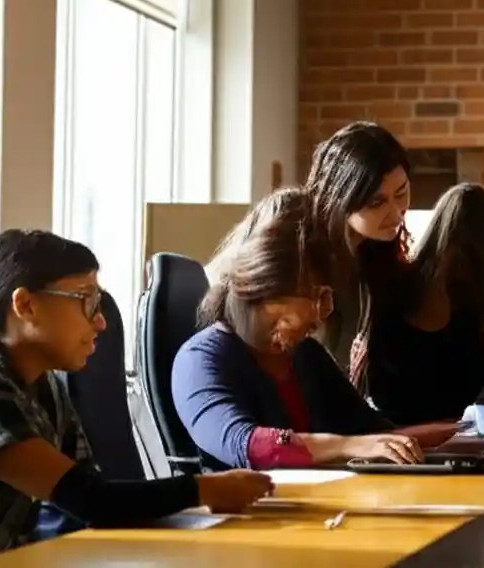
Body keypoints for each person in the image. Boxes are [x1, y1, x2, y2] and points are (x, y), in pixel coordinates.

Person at [0, 230, 273, 565]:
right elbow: (89, 499)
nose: (100, 322)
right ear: (25, 305)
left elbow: (90, 496)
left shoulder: (45, 386)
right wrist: (205, 488)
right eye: (86, 300)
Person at [173, 188, 436, 471]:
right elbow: (246, 445)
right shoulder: (199, 359)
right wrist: (350, 446)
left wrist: (462, 433)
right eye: (318, 294)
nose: (326, 310)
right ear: (269, 286)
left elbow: (377, 434)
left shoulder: (306, 355)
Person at [363, 183, 484, 426]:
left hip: (437, 428)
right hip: (406, 430)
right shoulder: (396, 292)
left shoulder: (465, 300)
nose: (455, 259)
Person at [303, 121, 412, 372]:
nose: (396, 213)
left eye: (401, 192)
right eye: (377, 202)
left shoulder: (374, 256)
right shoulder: (302, 261)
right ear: (339, 198)